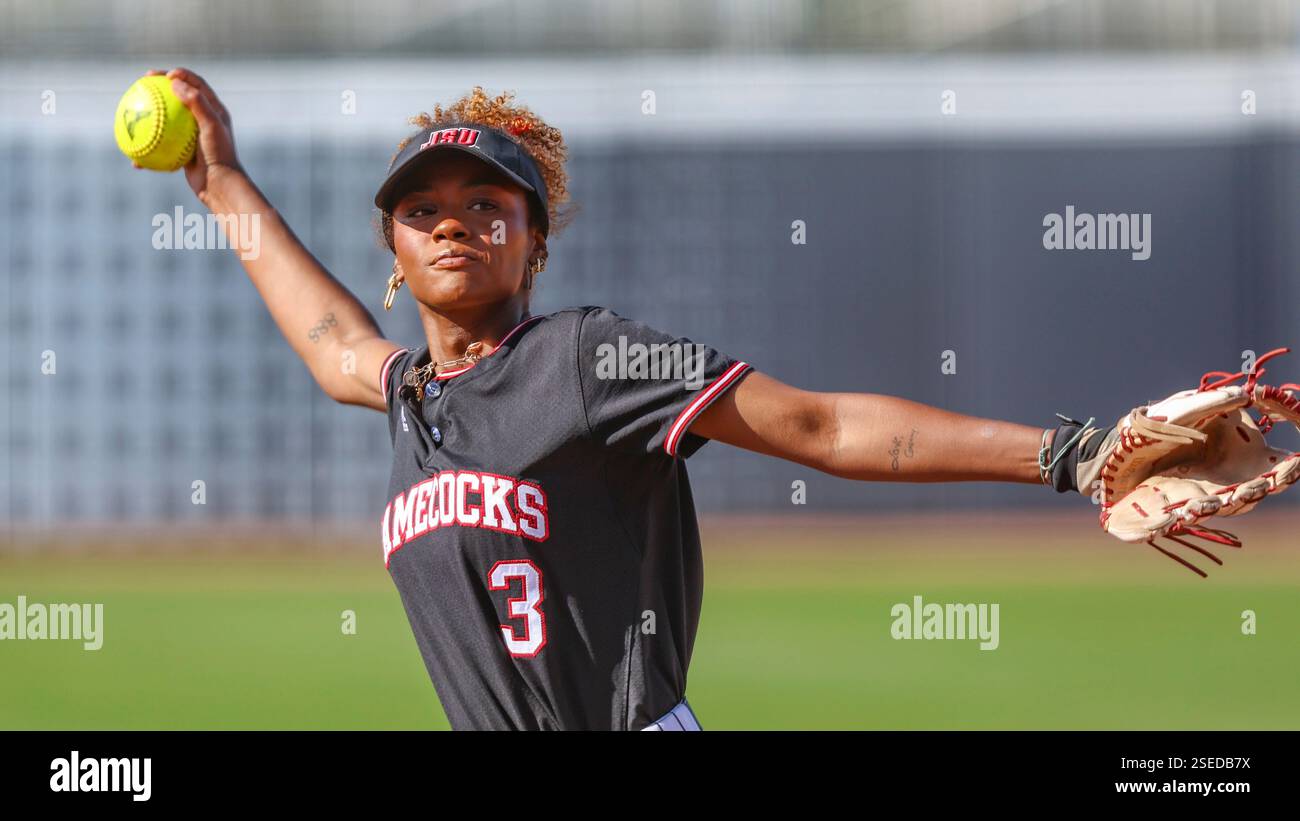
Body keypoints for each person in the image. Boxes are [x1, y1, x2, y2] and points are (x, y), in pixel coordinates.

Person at [147, 67, 1107, 731]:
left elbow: (823, 425)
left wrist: (1071, 458)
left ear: (536, 244)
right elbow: (331, 344)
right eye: (423, 209)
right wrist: (221, 179)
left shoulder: (585, 359)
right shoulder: (413, 397)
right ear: (393, 248)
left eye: (488, 206)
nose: (453, 224)